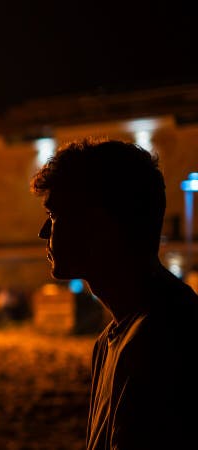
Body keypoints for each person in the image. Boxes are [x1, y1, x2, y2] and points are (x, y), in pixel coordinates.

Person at [31, 138, 198, 449]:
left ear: (99, 224)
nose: (43, 232)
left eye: (54, 215)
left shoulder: (161, 341)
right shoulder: (116, 337)